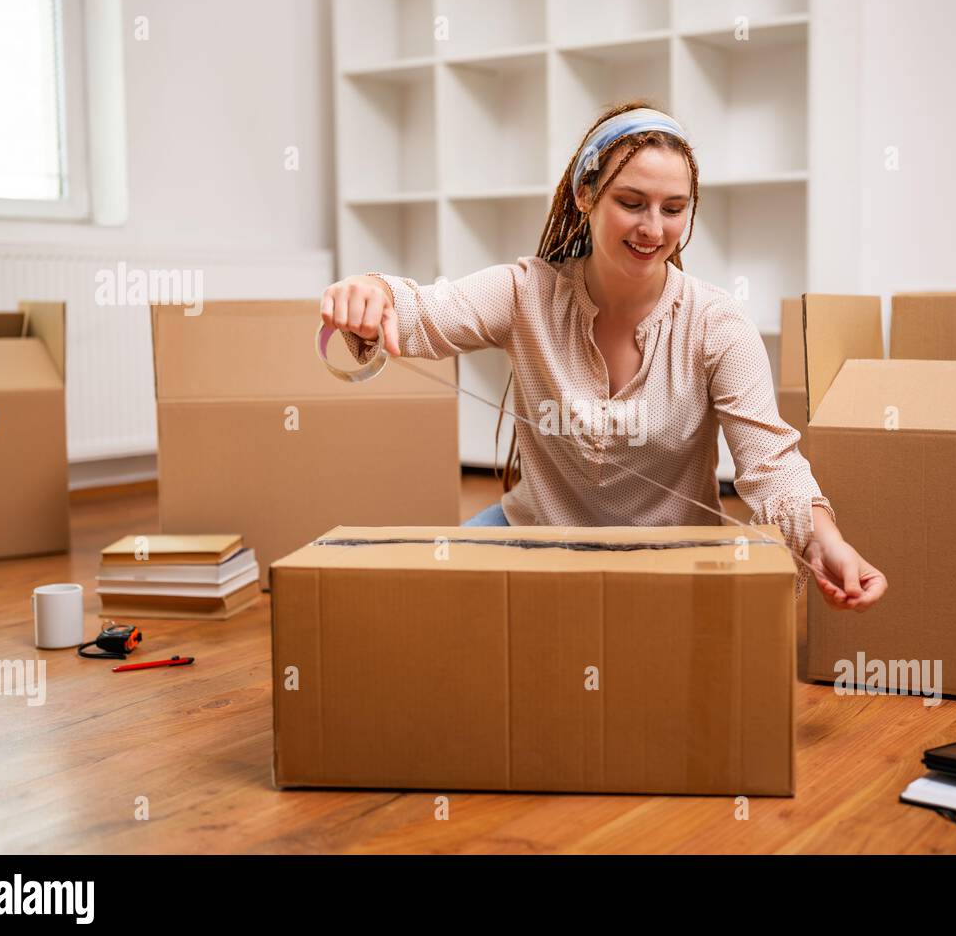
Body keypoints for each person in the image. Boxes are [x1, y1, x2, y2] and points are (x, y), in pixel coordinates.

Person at [320, 100, 886, 612]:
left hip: (669, 557)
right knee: (425, 608)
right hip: (535, 534)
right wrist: (372, 291)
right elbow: (423, 311)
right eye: (631, 202)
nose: (652, 228)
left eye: (674, 208)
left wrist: (826, 541)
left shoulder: (719, 325)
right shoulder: (524, 293)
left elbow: (771, 464)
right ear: (585, 195)